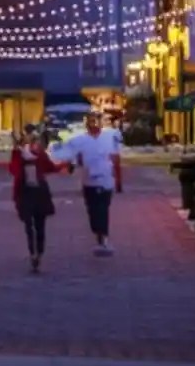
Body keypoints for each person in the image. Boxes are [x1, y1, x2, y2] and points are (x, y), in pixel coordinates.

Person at [48, 111, 121, 256]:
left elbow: (116, 157)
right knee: (93, 210)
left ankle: (103, 237)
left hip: (105, 181)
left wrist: (118, 180)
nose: (93, 125)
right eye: (90, 122)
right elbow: (65, 154)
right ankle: (97, 232)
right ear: (86, 124)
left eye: (96, 121)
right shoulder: (79, 140)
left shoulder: (109, 137)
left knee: (103, 209)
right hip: (89, 182)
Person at [9, 132, 59, 272]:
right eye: (29, 141)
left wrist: (64, 165)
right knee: (28, 226)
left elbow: (50, 167)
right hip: (25, 194)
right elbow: (13, 169)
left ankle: (40, 252)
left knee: (40, 226)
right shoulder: (19, 155)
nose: (32, 144)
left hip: (40, 194)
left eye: (34, 141)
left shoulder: (41, 155)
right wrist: (16, 152)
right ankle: (33, 253)